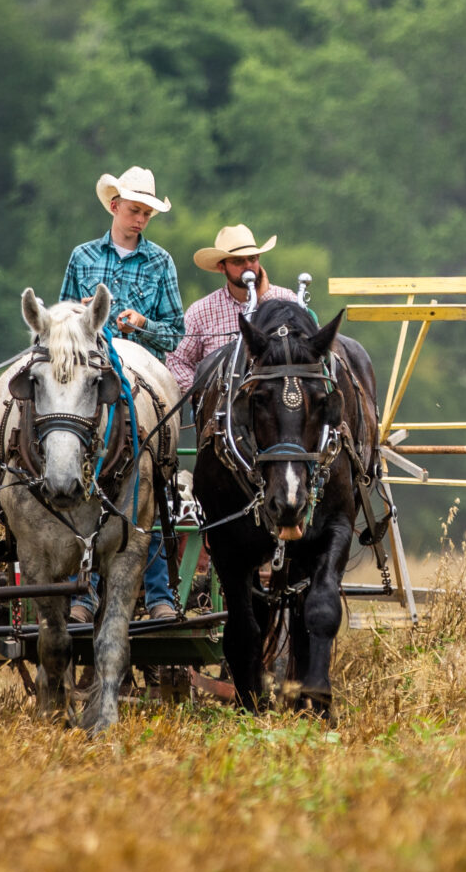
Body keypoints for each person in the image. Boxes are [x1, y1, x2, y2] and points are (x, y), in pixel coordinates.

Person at [61, 165, 184, 623]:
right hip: (92, 376)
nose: (141, 220)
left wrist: (142, 324)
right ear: (114, 206)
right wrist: (83, 320)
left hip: (142, 380)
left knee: (151, 483)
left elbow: (175, 333)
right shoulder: (82, 257)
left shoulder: (161, 262)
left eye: (147, 214)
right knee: (82, 472)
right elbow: (62, 321)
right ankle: (85, 592)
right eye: (135, 211)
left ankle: (159, 593)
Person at [165, 223, 304, 392]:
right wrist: (204, 394)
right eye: (238, 261)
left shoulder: (286, 298)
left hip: (278, 398)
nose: (248, 265)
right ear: (221, 267)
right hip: (221, 403)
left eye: (252, 258)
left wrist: (266, 299)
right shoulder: (201, 311)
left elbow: (310, 346)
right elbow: (177, 359)